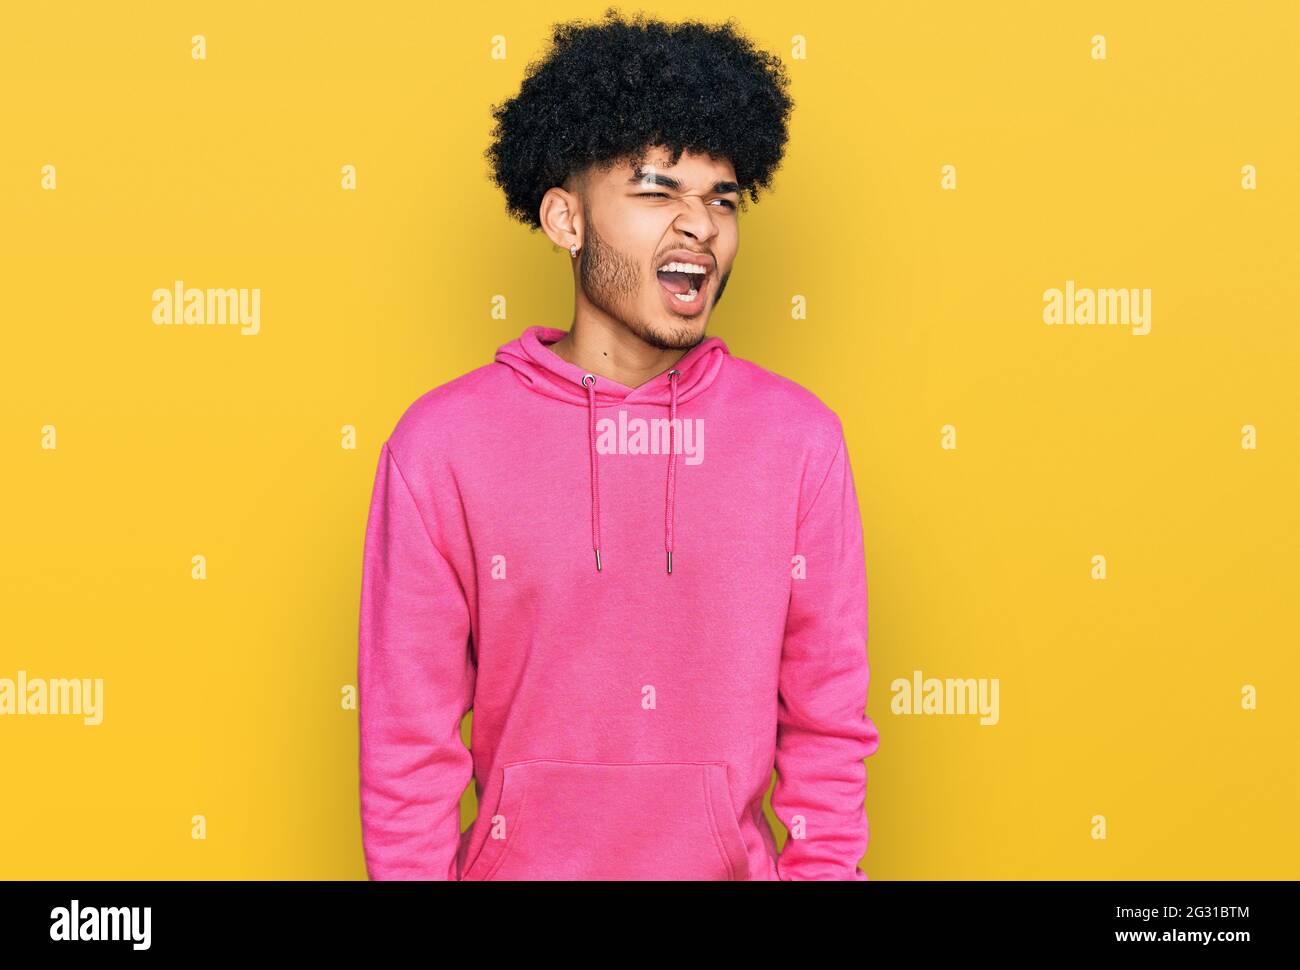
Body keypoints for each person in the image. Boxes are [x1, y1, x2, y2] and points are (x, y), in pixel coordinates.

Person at [357, 7, 881, 881]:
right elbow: (404, 755)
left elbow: (828, 736)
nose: (701, 227)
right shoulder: (441, 448)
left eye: (721, 199)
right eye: (657, 191)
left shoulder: (798, 444)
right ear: (566, 220)